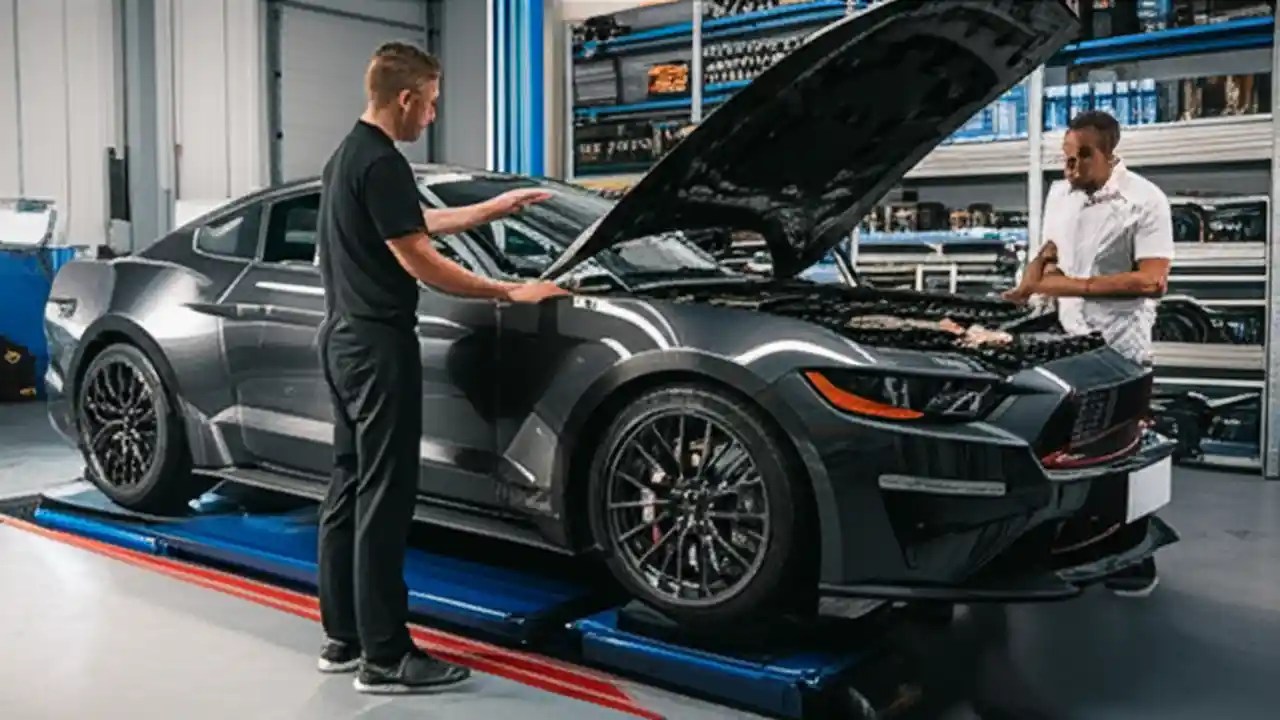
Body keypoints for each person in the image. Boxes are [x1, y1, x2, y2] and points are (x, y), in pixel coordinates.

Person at [313, 41, 570, 694]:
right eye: (428, 104)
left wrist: (488, 211)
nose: (430, 117)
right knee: (385, 496)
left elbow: (410, 224)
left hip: (342, 340)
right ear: (405, 98)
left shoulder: (350, 158)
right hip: (377, 348)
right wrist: (510, 292)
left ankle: (343, 637)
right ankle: (387, 656)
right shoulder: (384, 162)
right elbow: (420, 260)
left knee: (349, 485)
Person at [1004, 109, 1173, 598]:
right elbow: (1051, 250)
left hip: (1121, 349)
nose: (1071, 167)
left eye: (1083, 157)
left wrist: (1069, 285)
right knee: (1066, 453)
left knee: (1124, 454)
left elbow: (1152, 280)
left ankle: (1134, 558)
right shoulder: (1060, 192)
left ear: (1110, 153)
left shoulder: (1145, 201)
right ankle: (1065, 548)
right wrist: (1027, 285)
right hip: (1068, 340)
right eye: (1066, 157)